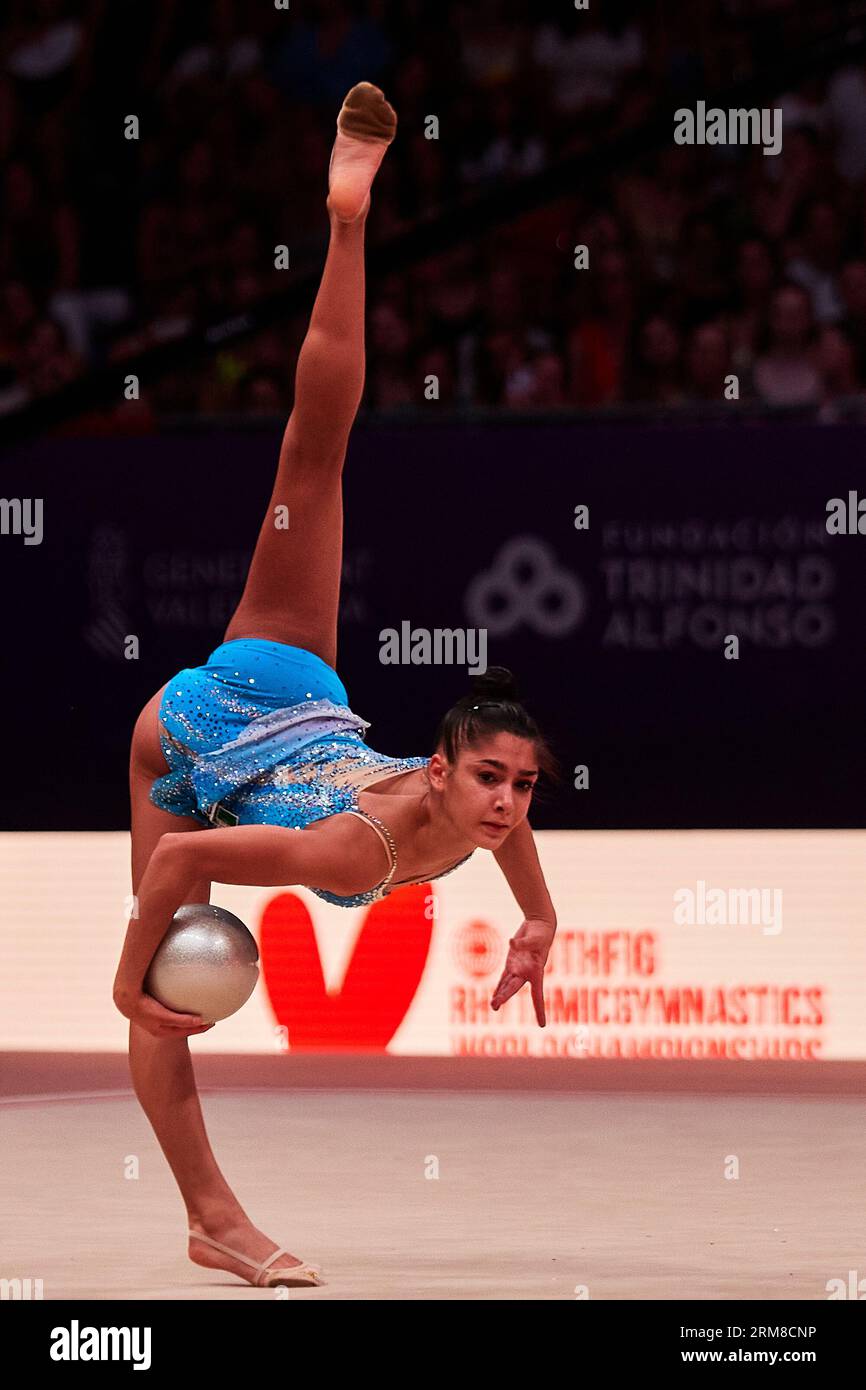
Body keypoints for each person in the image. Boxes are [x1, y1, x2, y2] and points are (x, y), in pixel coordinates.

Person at [113, 83, 560, 1289]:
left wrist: (538, 917)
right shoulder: (351, 849)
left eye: (519, 787)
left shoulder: (475, 808)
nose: (507, 805)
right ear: (437, 768)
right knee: (164, 989)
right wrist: (124, 974)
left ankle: (208, 1222)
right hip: (192, 731)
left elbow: (506, 832)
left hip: (291, 688)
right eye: (492, 781)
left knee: (315, 453)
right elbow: (178, 858)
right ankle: (347, 217)